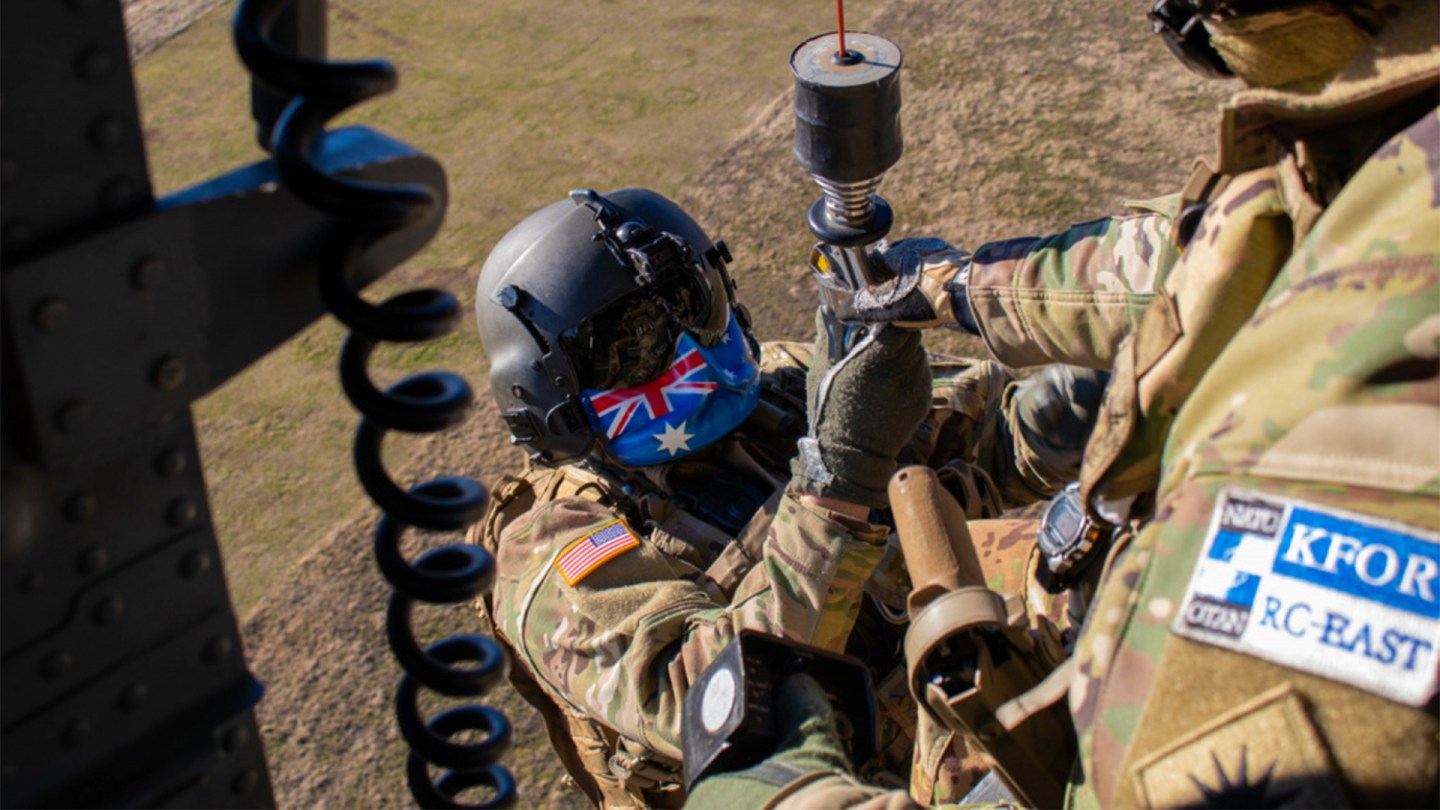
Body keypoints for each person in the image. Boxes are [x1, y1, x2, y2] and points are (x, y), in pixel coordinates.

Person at [689, 0, 1440, 806]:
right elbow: (1218, 247)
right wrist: (952, 290)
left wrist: (775, 795)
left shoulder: (1327, 494)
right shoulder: (1383, 136)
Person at [466, 187, 1109, 808]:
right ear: (545, 393)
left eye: (693, 302)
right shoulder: (551, 543)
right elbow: (701, 699)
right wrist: (836, 485)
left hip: (947, 711)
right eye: (632, 345)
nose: (688, 347)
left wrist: (1073, 412)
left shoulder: (780, 381)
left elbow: (971, 438)